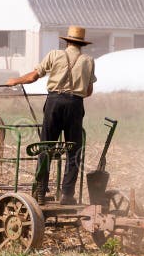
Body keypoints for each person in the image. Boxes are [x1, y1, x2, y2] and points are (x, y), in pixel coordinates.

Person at [6, 25, 96, 205]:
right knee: (73, 150)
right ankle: (67, 194)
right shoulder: (88, 60)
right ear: (81, 44)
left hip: (54, 103)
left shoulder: (55, 55)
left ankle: (40, 190)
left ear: (67, 41)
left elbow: (33, 77)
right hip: (75, 105)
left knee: (46, 146)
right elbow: (88, 91)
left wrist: (15, 80)